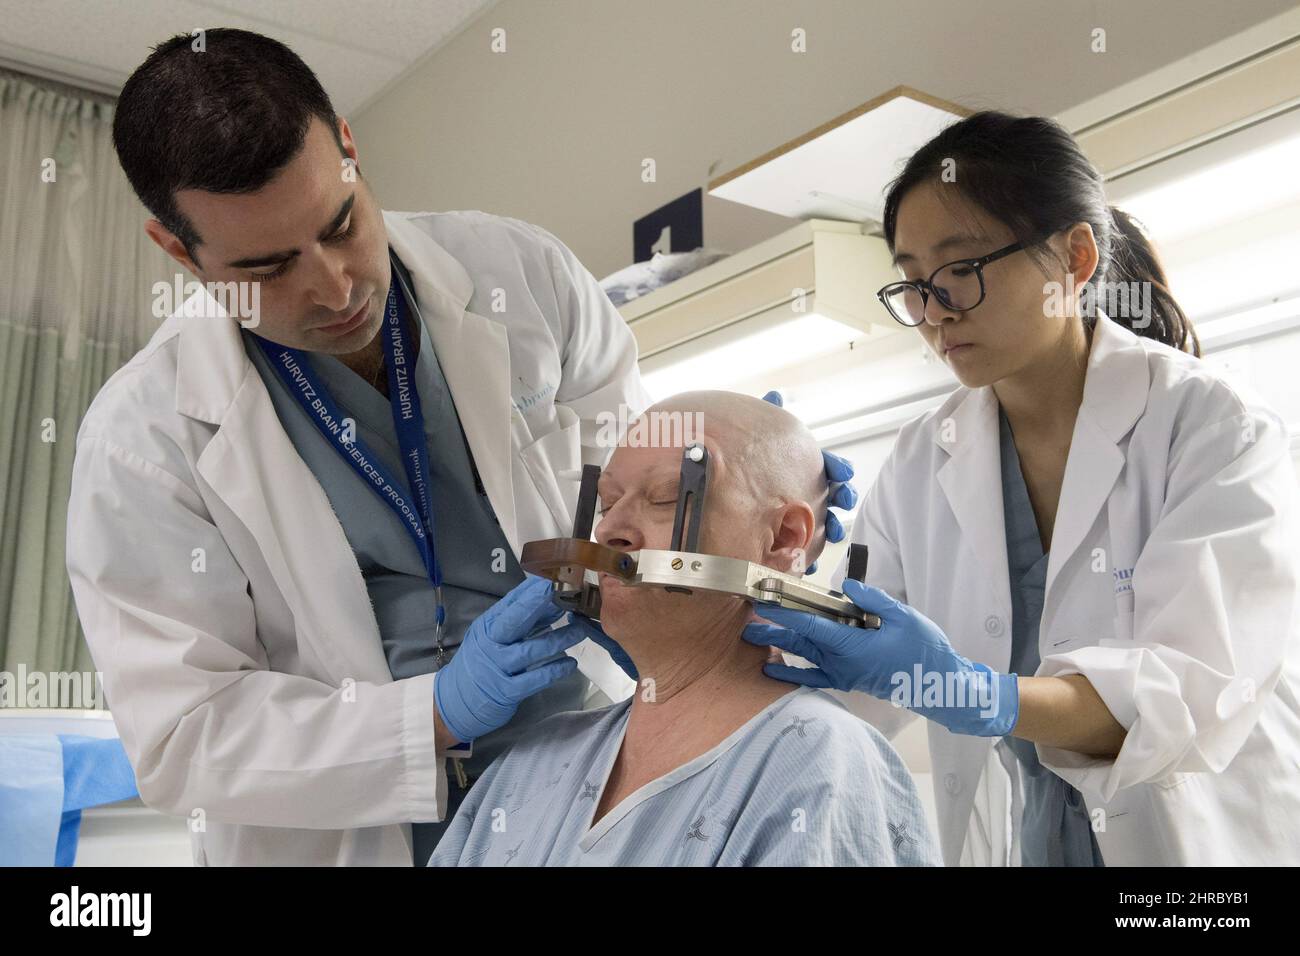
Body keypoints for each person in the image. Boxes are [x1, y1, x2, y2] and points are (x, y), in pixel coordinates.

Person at [65, 28, 854, 866]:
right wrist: (438, 709)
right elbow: (185, 736)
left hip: (581, 779)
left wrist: (747, 480)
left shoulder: (528, 278)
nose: (334, 287)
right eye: (267, 269)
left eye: (341, 224)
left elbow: (629, 490)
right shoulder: (143, 442)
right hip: (352, 832)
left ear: (349, 150)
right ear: (179, 252)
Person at [745, 110, 1300, 866]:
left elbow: (1182, 699)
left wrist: (971, 692)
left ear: (1073, 258)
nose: (932, 311)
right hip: (1036, 837)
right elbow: (853, 685)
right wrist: (760, 569)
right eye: (911, 283)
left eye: (960, 269)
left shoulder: (1212, 425)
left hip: (1208, 851)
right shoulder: (920, 461)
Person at [429, 391, 938, 866]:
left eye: (667, 497)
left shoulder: (821, 766)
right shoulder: (534, 759)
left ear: (785, 538)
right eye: (607, 502)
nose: (607, 530)